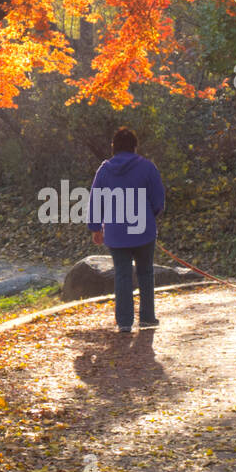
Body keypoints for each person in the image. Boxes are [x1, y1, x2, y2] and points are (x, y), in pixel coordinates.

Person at [89, 127, 166, 333]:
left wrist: (96, 227)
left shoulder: (104, 170)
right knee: (145, 273)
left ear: (113, 147)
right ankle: (148, 318)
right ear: (135, 146)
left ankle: (124, 322)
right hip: (143, 230)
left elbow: (96, 200)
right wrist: (149, 215)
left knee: (122, 275)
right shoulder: (148, 167)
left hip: (116, 232)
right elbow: (159, 200)